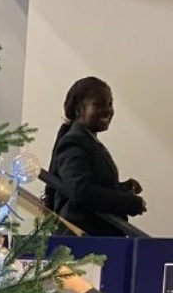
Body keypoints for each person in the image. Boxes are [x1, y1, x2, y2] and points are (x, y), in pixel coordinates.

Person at [41, 76, 146, 236]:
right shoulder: (74, 142)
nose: (108, 110)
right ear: (78, 110)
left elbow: (91, 185)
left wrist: (123, 189)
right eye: (99, 104)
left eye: (110, 104)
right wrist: (128, 203)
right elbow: (81, 192)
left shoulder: (86, 140)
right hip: (82, 243)